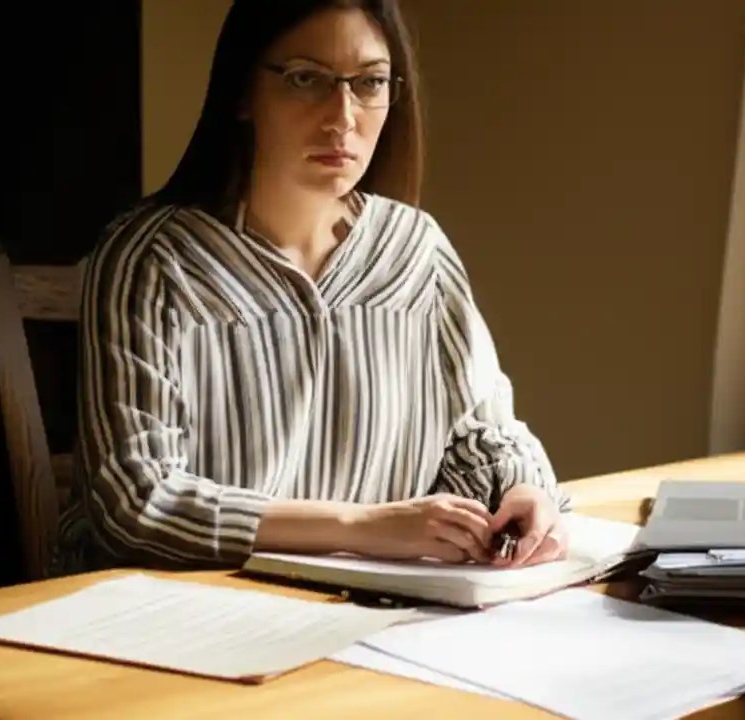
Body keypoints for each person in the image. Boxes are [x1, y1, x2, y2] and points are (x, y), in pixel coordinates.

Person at [55, 0, 570, 575]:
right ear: (243, 92)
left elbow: (481, 432)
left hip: (370, 613)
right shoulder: (152, 260)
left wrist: (524, 493)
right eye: (306, 79)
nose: (343, 117)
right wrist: (366, 528)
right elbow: (134, 505)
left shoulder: (416, 253)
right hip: (174, 616)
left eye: (370, 82)